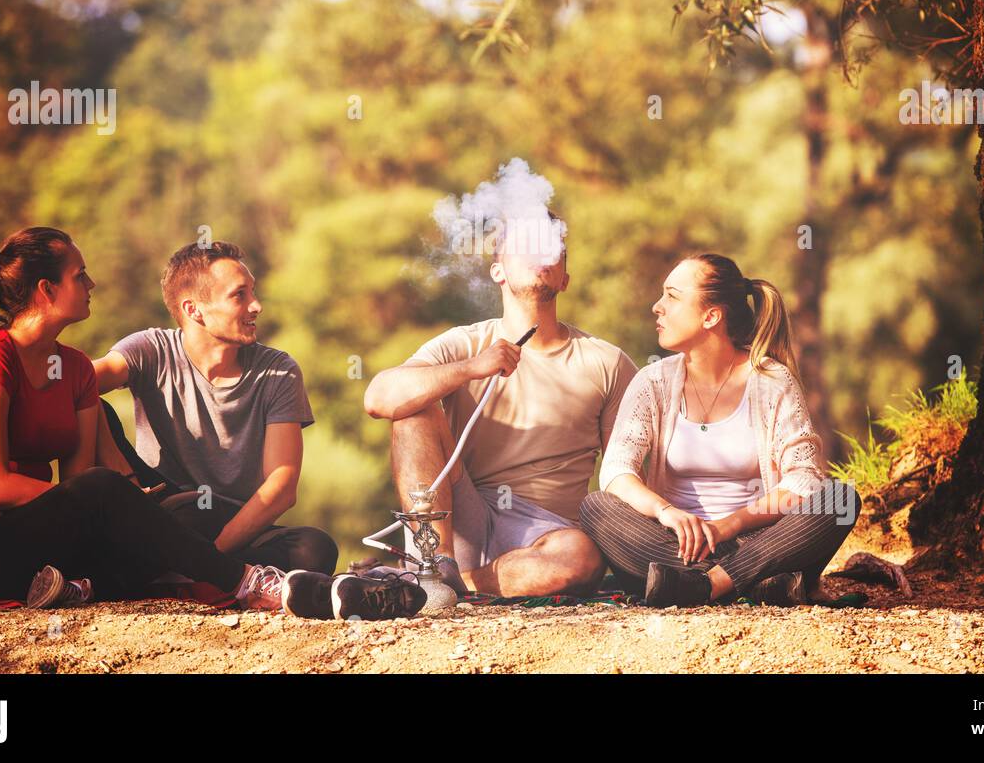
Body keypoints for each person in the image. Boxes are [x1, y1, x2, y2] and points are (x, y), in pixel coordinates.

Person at [0, 227, 422, 621]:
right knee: (114, 492)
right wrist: (17, 496)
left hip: (62, 541)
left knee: (310, 544)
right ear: (47, 290)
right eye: (81, 275)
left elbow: (73, 487)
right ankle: (257, 585)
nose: (92, 283)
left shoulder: (74, 368)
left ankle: (121, 579)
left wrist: (51, 498)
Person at [364, 215, 639, 596]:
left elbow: (623, 473)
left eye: (552, 246)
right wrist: (471, 369)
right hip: (462, 519)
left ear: (565, 279)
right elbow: (379, 398)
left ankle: (438, 585)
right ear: (498, 271)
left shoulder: (608, 362)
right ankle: (436, 564)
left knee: (582, 558)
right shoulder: (465, 344)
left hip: (547, 536)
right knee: (413, 410)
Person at [579, 253, 861, 608]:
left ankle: (705, 585)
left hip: (756, 542)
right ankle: (753, 584)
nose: (657, 306)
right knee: (595, 506)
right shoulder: (653, 381)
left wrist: (726, 526)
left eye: (672, 296)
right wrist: (666, 512)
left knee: (840, 500)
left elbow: (802, 481)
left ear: (711, 315)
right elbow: (617, 471)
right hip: (675, 546)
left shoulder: (772, 382)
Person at [93, 240, 337, 579]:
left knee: (315, 549)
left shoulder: (279, 371)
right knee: (94, 406)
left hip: (232, 524)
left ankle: (186, 576)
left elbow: (281, 487)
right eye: (240, 295)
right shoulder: (150, 349)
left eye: (253, 292)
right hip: (163, 510)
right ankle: (203, 577)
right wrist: (126, 477)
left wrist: (210, 556)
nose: (257, 306)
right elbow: (77, 384)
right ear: (194, 310)